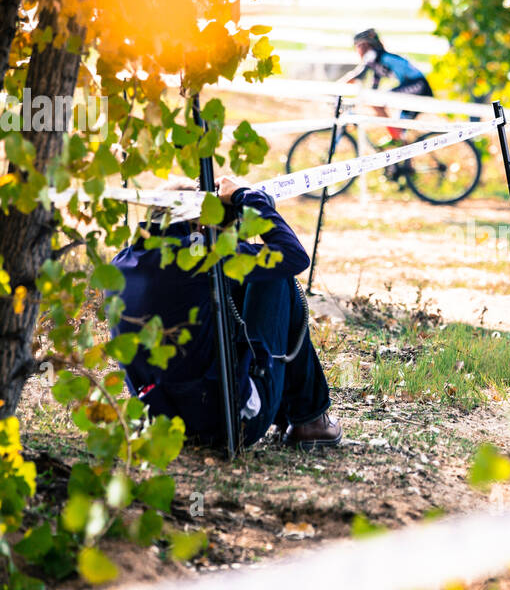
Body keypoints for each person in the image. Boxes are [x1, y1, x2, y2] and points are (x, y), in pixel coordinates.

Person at [108, 176, 341, 449]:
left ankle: (294, 413)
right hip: (230, 423)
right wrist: (247, 197)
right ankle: (309, 420)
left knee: (236, 284)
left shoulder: (119, 265)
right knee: (277, 278)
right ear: (199, 223)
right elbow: (292, 256)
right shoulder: (206, 256)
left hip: (161, 422)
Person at [338, 28, 434, 129]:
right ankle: (397, 137)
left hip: (417, 84)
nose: (358, 51)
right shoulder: (378, 58)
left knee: (378, 103)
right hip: (416, 85)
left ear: (366, 45)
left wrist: (337, 86)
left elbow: (359, 75)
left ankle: (395, 134)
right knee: (399, 121)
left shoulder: (372, 55)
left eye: (358, 46)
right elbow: (374, 85)